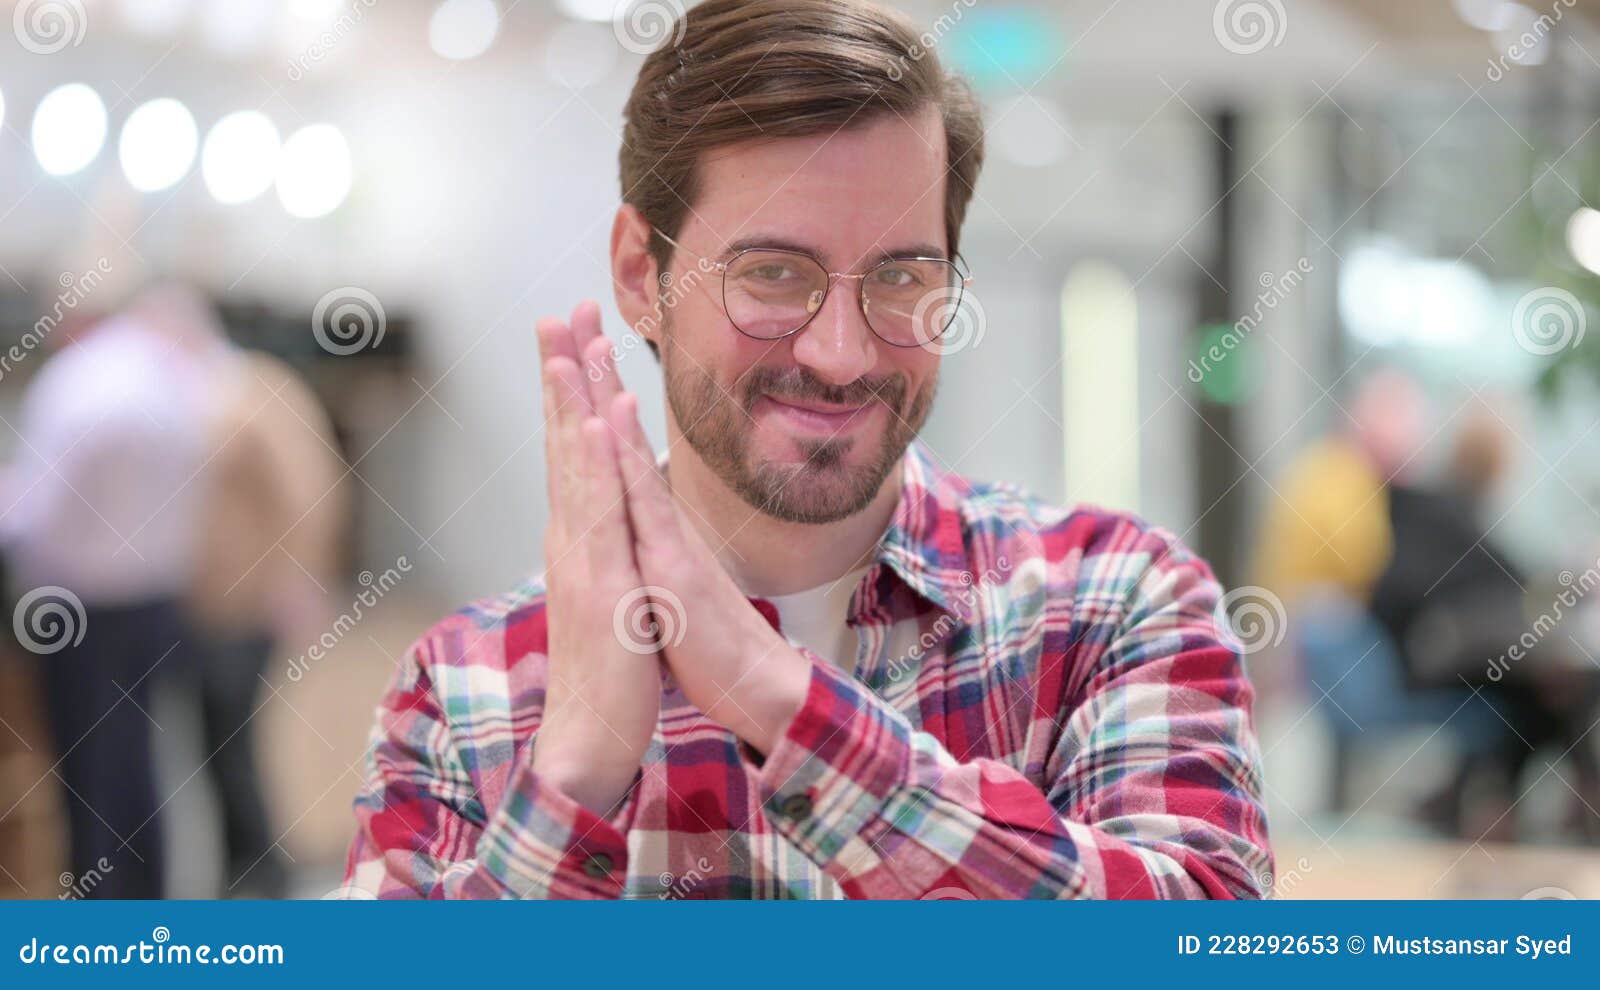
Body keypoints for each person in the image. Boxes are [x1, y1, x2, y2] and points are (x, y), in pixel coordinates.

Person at [344, 0, 1271, 899]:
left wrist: (776, 699)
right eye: (774, 275)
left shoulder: (1113, 605)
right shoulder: (465, 690)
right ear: (641, 275)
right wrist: (573, 780)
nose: (842, 355)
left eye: (903, 276)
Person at [1, 281, 217, 898]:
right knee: (135, 763)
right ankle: (144, 901)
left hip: (82, 607)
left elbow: (41, 510)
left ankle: (100, 919)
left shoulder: (75, 381)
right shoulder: (166, 378)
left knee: (89, 774)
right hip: (155, 597)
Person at [183, 302, 348, 898]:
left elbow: (312, 486)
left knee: (235, 744)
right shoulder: (202, 394)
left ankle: (260, 874)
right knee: (215, 743)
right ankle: (240, 868)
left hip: (251, 604)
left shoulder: (257, 389)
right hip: (206, 607)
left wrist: (302, 578)